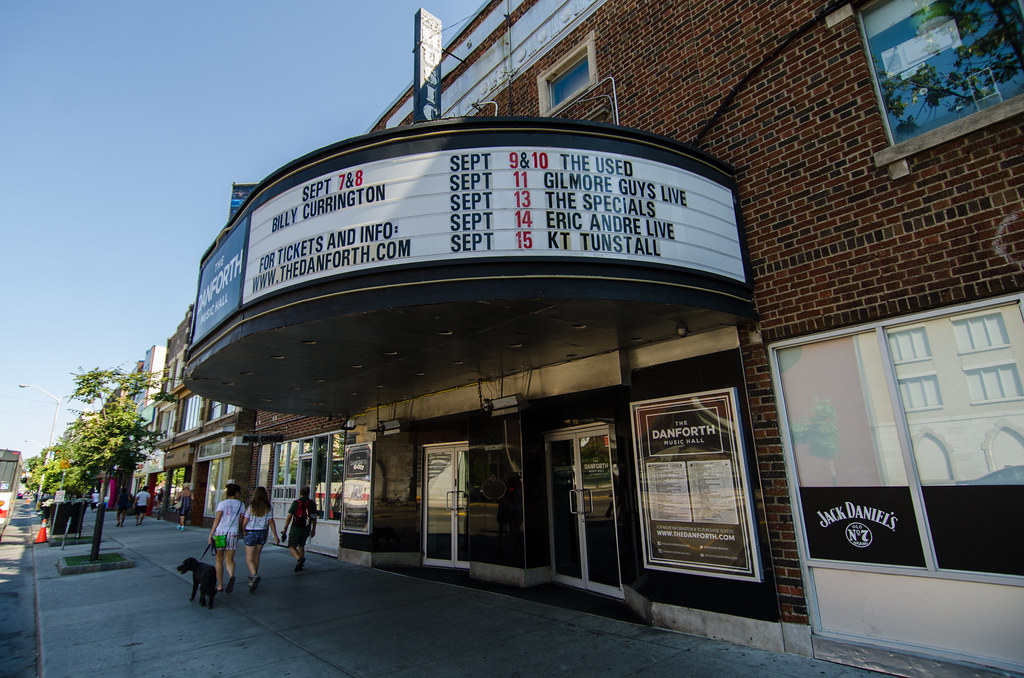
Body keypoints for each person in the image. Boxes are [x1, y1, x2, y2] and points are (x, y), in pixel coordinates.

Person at [240, 486, 279, 593]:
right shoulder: (268, 507)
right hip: (262, 532)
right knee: (257, 556)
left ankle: (254, 575)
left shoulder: (251, 507)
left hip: (251, 532)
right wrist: (275, 535)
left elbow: (245, 521)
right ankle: (254, 576)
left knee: (249, 558)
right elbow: (271, 521)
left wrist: (244, 530)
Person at [208, 483, 244, 593]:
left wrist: (211, 534)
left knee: (219, 559)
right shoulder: (241, 505)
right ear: (236, 493)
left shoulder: (222, 504)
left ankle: (219, 585)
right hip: (233, 533)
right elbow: (241, 521)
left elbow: (217, 519)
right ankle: (231, 575)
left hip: (220, 533)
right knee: (229, 559)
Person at [281, 486, 317, 572]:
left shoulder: (296, 503)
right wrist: (313, 529)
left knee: (291, 546)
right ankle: (300, 564)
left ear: (300, 493)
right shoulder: (312, 503)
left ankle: (299, 559)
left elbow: (289, 516)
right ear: (308, 493)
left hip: (296, 528)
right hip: (306, 529)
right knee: (301, 545)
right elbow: (314, 518)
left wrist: (285, 528)